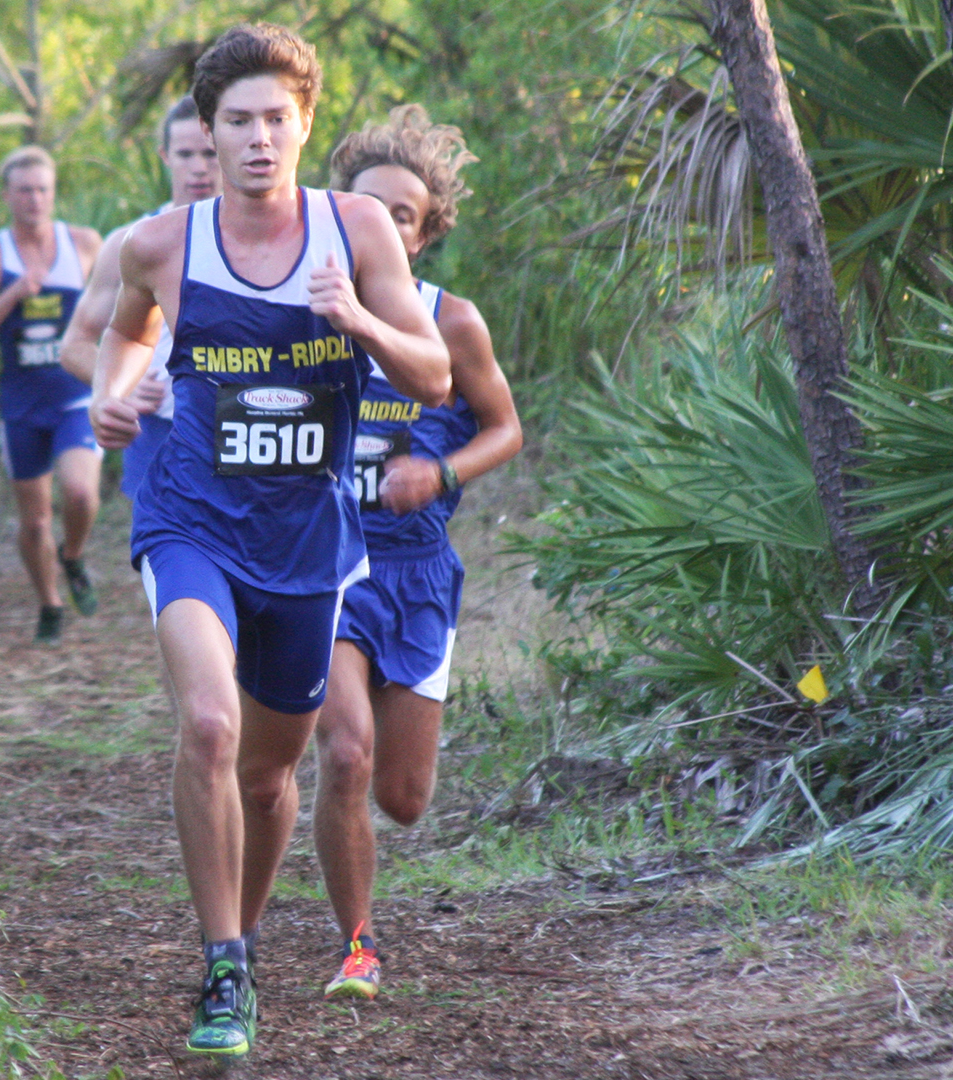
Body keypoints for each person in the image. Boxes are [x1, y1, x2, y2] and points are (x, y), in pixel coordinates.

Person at [89, 25, 451, 1058]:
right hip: (191, 518)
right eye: (237, 121)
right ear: (209, 131)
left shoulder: (358, 235)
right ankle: (225, 967)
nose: (257, 139)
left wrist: (361, 322)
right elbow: (123, 335)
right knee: (208, 726)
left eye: (276, 121)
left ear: (304, 125)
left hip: (306, 539)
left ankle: (239, 931)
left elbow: (432, 379)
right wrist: (115, 399)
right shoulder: (163, 243)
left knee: (266, 774)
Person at [312, 105, 523, 1000]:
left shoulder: (454, 322)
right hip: (325, 566)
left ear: (428, 229)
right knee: (347, 754)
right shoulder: (304, 311)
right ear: (339, 213)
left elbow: (505, 429)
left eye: (405, 213)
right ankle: (357, 944)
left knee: (402, 797)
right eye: (369, 207)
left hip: (419, 570)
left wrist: (437, 470)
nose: (386, 224)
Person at [0, 146, 106, 644]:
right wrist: (11, 295)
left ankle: (75, 555)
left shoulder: (83, 245)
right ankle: (50, 604)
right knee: (35, 520)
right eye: (24, 190)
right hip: (20, 404)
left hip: (74, 395)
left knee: (81, 492)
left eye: (42, 189)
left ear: (54, 193)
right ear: (7, 196)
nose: (34, 199)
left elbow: (119, 309)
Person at [60, 96, 221, 503]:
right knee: (164, 559)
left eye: (210, 153)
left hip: (246, 431)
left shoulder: (271, 239)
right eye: (186, 154)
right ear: (166, 156)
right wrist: (117, 389)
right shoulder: (131, 242)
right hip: (159, 430)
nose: (199, 167)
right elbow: (75, 345)